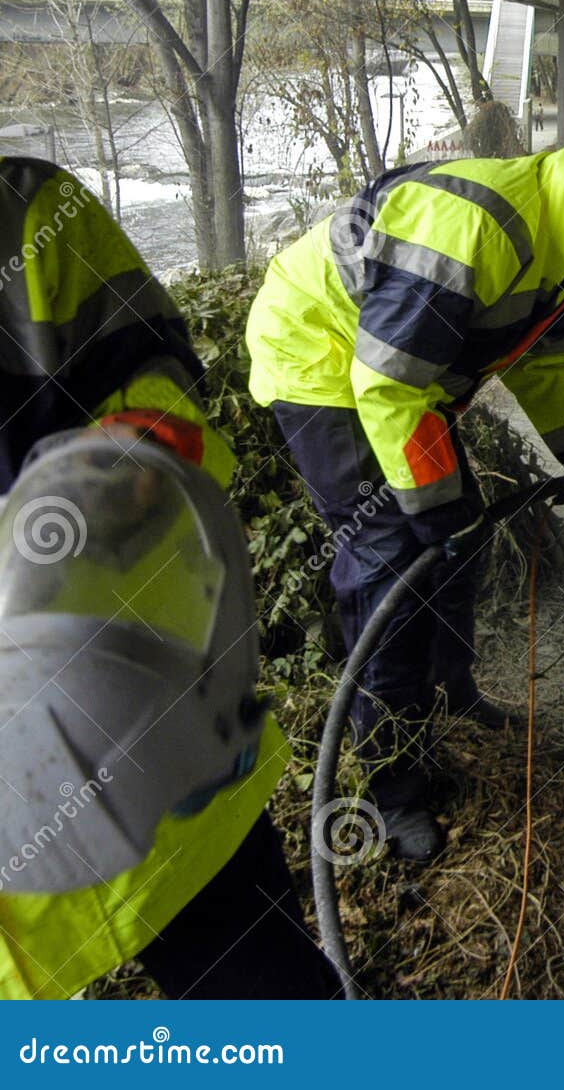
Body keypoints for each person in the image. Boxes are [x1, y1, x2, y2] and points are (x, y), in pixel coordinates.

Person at [245, 142, 564, 862]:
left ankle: (450, 694)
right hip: (319, 357)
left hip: (392, 375)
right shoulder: (475, 228)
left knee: (462, 534)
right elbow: (387, 386)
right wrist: (434, 512)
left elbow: (542, 369)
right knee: (395, 554)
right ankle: (393, 791)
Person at [0, 156, 336, 999]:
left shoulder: (26, 217)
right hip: (318, 372)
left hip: (139, 751)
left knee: (262, 995)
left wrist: (120, 476)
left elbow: (159, 403)